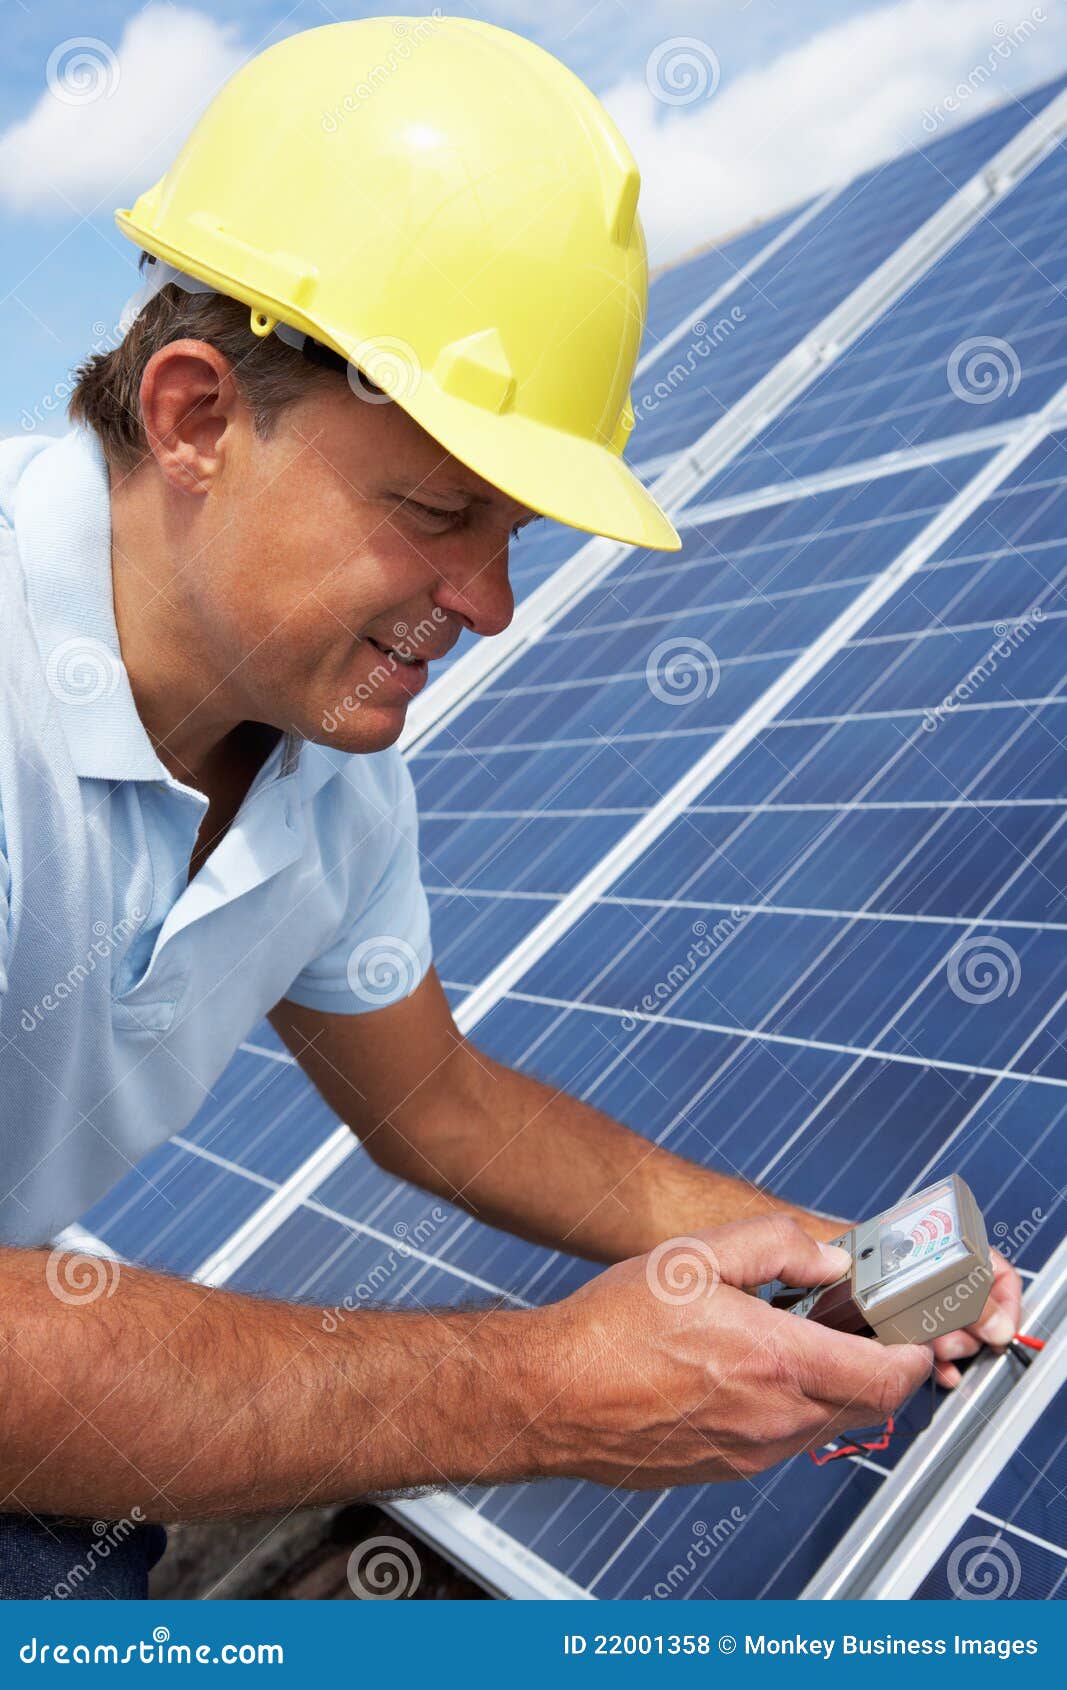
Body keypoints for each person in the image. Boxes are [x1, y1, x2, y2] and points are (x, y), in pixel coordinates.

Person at [0, 17, 1019, 1599]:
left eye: (517, 534)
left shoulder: (323, 764)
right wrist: (548, 1390)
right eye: (434, 513)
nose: (491, 606)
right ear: (197, 415)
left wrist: (820, 1250)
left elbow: (437, 1106)